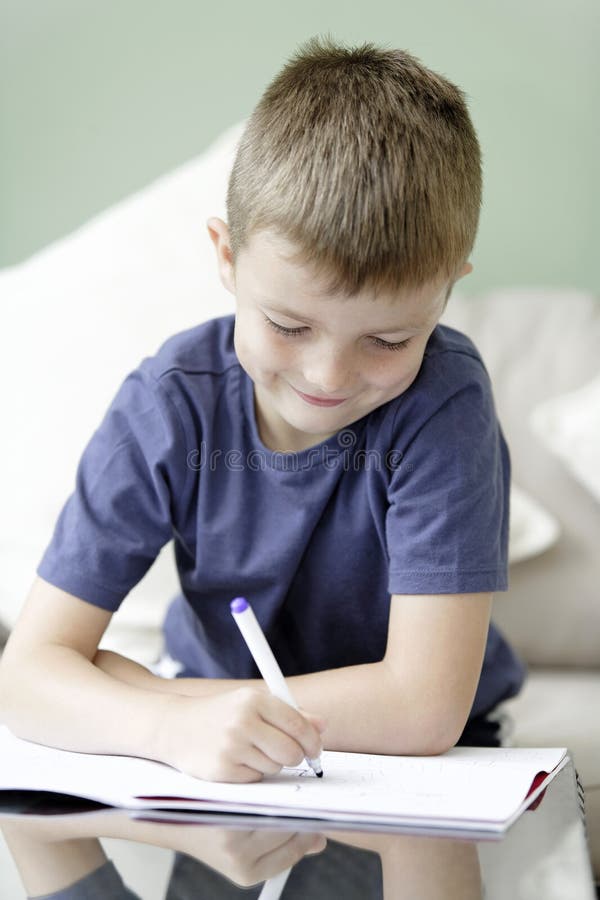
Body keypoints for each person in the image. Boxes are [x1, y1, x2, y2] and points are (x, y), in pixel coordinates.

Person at [0, 36, 525, 784]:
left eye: (387, 338)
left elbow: (421, 710)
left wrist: (176, 702)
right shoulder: (170, 406)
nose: (328, 375)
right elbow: (26, 676)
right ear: (226, 257)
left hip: (429, 760)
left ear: (446, 291)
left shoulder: (443, 404)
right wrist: (171, 725)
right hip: (203, 745)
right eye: (287, 325)